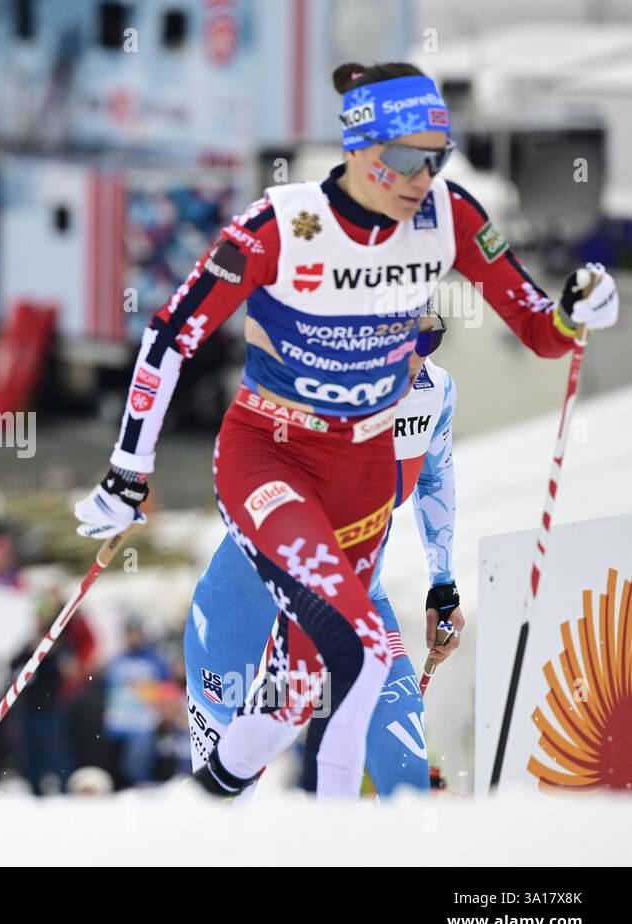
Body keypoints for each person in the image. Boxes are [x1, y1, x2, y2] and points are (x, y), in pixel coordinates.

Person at [73, 62, 620, 798]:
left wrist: (579, 307)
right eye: (403, 157)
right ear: (359, 147)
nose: (421, 176)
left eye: (437, 157)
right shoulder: (281, 225)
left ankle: (200, 801)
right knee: (362, 648)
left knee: (299, 693)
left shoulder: (450, 220)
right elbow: (172, 335)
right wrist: (127, 472)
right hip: (269, 456)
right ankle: (335, 841)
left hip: (364, 478)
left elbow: (541, 330)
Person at [187, 330, 460, 797]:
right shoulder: (312, 387)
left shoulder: (435, 390)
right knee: (226, 801)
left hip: (358, 598)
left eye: (430, 337)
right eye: (406, 338)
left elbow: (435, 476)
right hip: (250, 606)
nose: (417, 355)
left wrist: (443, 585)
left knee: (407, 781)